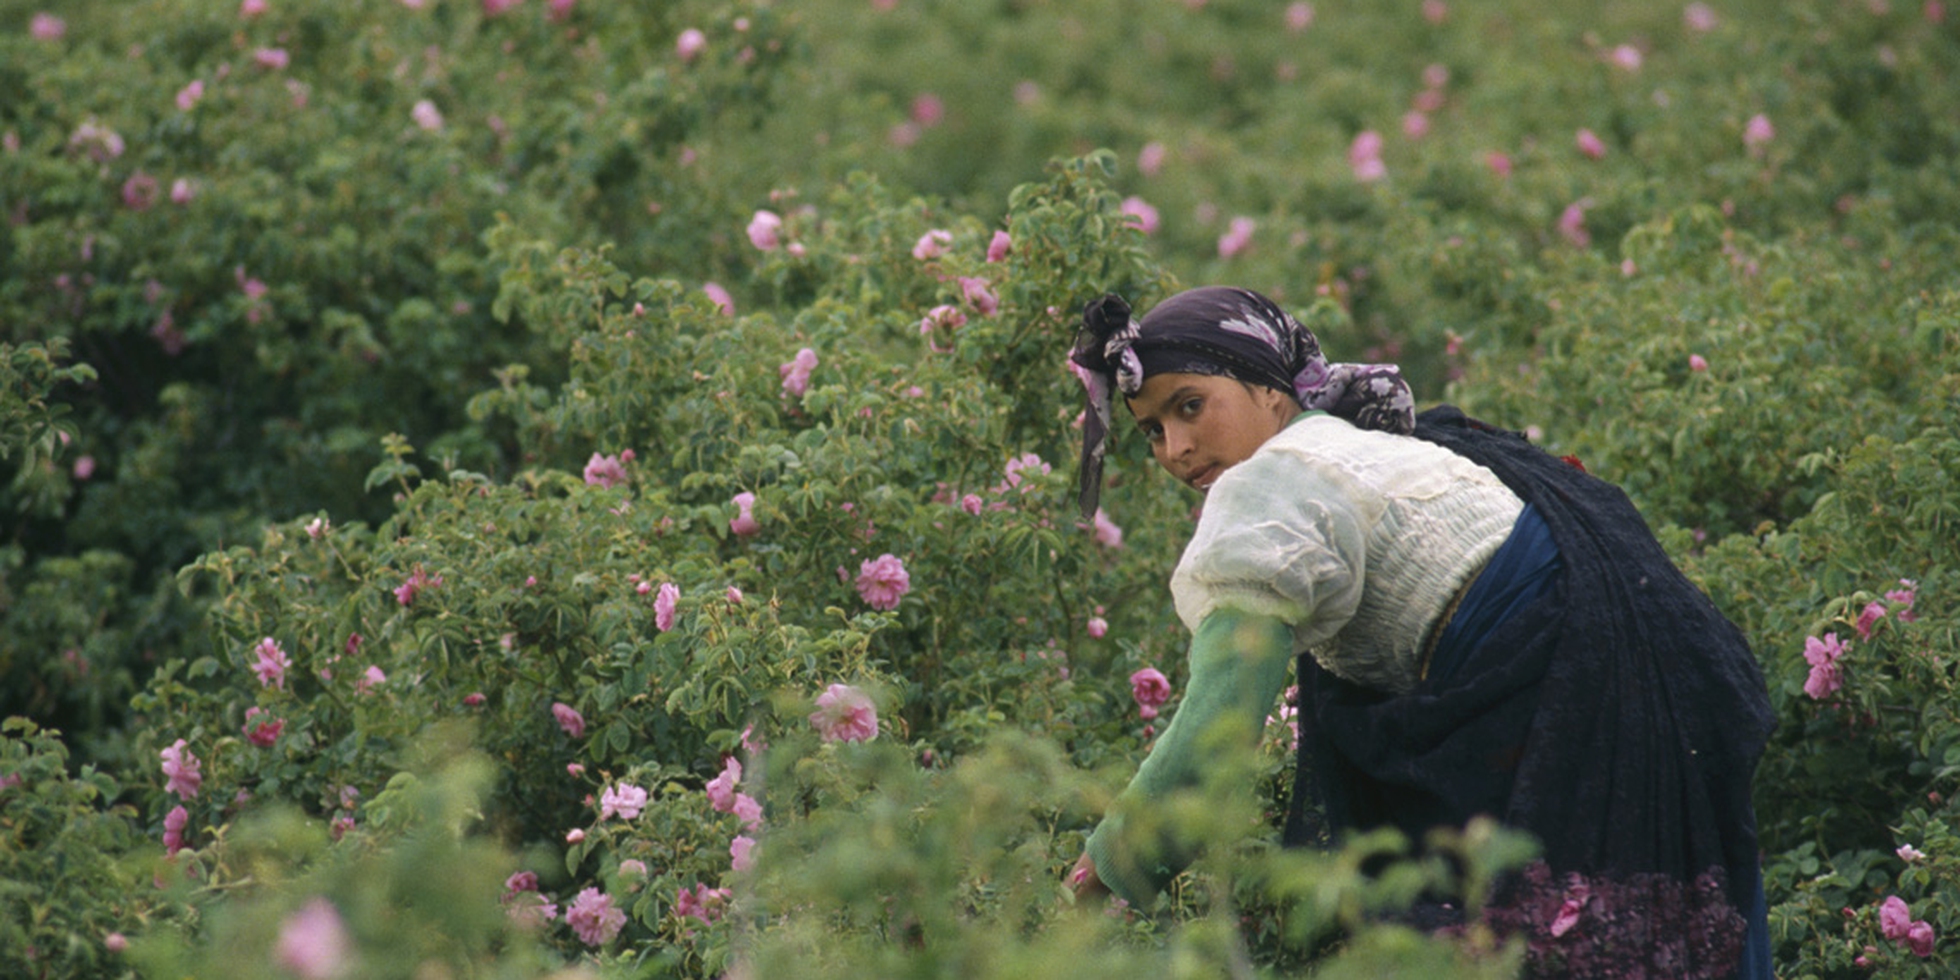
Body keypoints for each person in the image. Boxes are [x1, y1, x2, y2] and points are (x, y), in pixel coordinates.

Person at [1064, 287, 1774, 980]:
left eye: (1191, 406)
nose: (1177, 448)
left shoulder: (1264, 485)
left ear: (1270, 390)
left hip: (1556, 664)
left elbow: (1220, 718)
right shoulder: (1373, 447)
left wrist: (1110, 864)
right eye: (1152, 430)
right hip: (1637, 646)